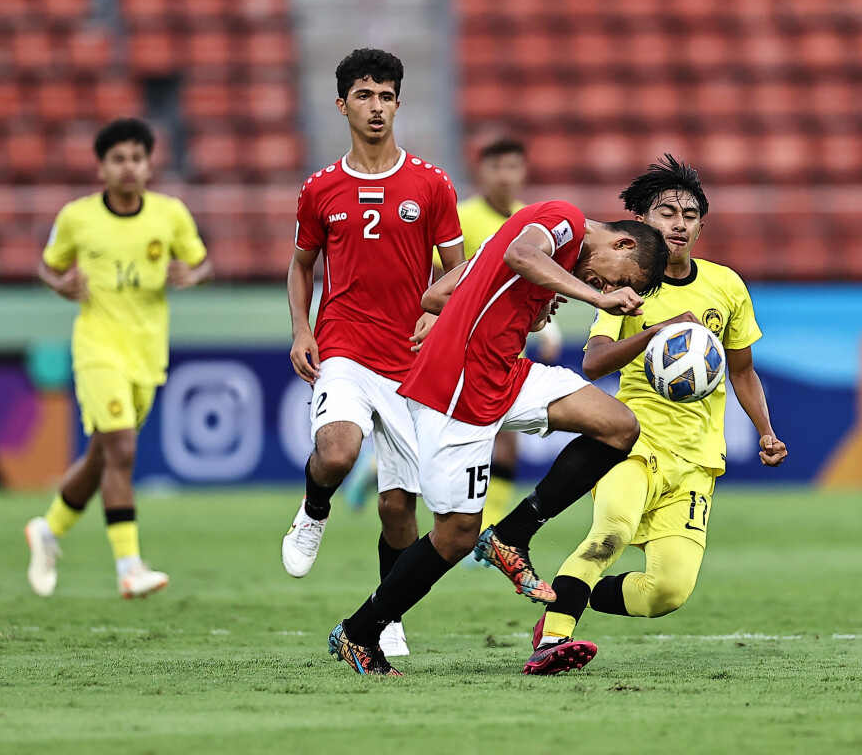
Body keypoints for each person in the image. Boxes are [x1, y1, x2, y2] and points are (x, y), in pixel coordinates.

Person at [327, 199, 668, 676]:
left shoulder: (543, 246)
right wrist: (596, 299)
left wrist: (525, 306)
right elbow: (519, 257)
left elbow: (437, 295)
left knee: (618, 426)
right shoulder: (563, 219)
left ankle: (512, 533)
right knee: (455, 536)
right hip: (458, 388)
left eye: (614, 289)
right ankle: (360, 633)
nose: (607, 287)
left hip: (504, 374)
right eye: (619, 279)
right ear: (623, 242)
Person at [528, 156, 788, 673]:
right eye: (666, 212)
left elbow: (742, 371)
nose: (678, 222)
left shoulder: (726, 287)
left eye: (689, 214)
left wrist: (766, 432)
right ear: (645, 221)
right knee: (610, 535)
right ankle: (551, 640)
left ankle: (571, 596)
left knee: (667, 590)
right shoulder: (628, 283)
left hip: (695, 459)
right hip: (633, 444)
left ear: (700, 226)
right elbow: (593, 360)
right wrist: (656, 334)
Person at [282, 48, 465, 657]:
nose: (376, 106)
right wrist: (301, 330)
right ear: (342, 105)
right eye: (364, 95)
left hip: (410, 366)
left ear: (398, 103)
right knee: (337, 454)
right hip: (343, 347)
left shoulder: (431, 184)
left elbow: (457, 270)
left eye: (386, 95)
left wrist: (434, 314)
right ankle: (313, 512)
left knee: (396, 508)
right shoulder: (320, 189)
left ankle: (386, 615)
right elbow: (301, 265)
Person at [24, 117, 213, 599]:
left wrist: (192, 276)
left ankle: (48, 530)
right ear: (102, 168)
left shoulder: (170, 215)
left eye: (136, 158)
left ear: (149, 165)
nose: (128, 167)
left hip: (147, 354)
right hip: (96, 348)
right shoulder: (77, 218)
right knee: (123, 450)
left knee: (102, 457)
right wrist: (60, 285)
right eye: (118, 159)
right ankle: (130, 567)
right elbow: (48, 265)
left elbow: (203, 261)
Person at [454, 137, 562, 530]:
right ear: (481, 173)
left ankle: (489, 526)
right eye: (496, 167)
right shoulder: (463, 218)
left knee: (505, 439)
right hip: (460, 343)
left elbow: (536, 283)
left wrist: (552, 329)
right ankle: (379, 468)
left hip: (506, 344)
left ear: (523, 173)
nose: (505, 176)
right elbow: (440, 278)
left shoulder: (532, 222)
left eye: (513, 167)